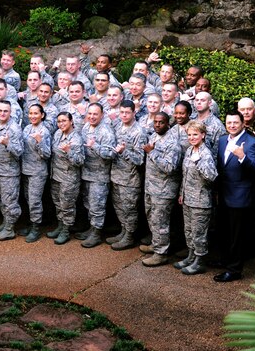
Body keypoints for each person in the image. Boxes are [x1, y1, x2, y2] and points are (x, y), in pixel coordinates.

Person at [214, 111, 255, 282]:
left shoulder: (252, 143)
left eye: (235, 122)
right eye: (229, 123)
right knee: (224, 232)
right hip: (223, 195)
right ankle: (225, 260)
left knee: (237, 236)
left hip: (240, 197)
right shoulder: (221, 140)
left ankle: (234, 270)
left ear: (243, 124)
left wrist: (242, 157)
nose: (232, 125)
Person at [175, 121, 217, 275]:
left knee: (199, 233)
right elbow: (185, 175)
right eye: (189, 135)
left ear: (203, 135)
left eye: (195, 134)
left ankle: (199, 262)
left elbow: (211, 177)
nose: (192, 137)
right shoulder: (190, 150)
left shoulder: (205, 154)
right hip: (187, 199)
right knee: (189, 231)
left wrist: (199, 161)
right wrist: (181, 193)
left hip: (200, 201)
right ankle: (191, 256)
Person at [141, 112, 182, 267]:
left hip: (163, 190)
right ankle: (156, 244)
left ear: (168, 124)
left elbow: (170, 168)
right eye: (155, 122)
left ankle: (161, 253)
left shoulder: (173, 144)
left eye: (161, 122)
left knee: (161, 222)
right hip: (151, 187)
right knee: (152, 218)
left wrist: (152, 152)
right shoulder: (154, 136)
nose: (157, 125)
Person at [108, 101, 147, 250]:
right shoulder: (118, 126)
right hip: (116, 174)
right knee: (119, 206)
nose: (124, 115)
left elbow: (140, 159)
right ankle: (123, 231)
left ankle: (130, 236)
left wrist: (124, 152)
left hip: (130, 179)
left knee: (129, 208)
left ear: (134, 113)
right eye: (121, 112)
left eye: (127, 112)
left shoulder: (139, 132)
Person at [77, 104, 117, 248]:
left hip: (99, 176)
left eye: (95, 114)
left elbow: (111, 154)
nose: (92, 117)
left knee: (97, 205)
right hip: (86, 173)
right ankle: (91, 228)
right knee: (88, 203)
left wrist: (96, 147)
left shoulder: (106, 132)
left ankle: (96, 233)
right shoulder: (86, 127)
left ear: (102, 115)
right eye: (90, 114)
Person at [0, 100, 24, 241]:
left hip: (9, 172)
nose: (2, 113)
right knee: (0, 199)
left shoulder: (14, 129)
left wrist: (8, 143)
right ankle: (5, 223)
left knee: (10, 201)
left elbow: (20, 151)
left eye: (6, 111)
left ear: (10, 112)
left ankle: (9, 229)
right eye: (0, 110)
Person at [48, 113, 85, 245]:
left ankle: (66, 230)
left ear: (71, 121)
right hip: (56, 175)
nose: (61, 124)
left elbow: (80, 161)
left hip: (69, 178)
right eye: (59, 121)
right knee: (58, 203)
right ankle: (60, 225)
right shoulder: (58, 134)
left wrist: (69, 151)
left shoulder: (76, 138)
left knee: (67, 205)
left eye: (64, 121)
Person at [21, 104, 52, 243]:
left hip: (38, 171)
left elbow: (47, 154)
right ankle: (30, 223)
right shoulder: (27, 128)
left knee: (34, 201)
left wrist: (40, 141)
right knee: (28, 199)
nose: (32, 116)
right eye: (31, 113)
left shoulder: (44, 131)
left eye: (36, 113)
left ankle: (36, 228)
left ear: (42, 115)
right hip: (26, 169)